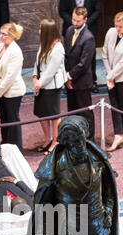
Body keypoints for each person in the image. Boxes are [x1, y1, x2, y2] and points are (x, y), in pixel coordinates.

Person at [102, 12, 123, 152]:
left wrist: (111, 77)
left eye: (120, 27)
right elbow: (104, 53)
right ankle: (118, 133)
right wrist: (109, 75)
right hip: (111, 75)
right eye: (116, 26)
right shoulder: (111, 32)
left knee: (122, 105)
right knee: (113, 105)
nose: (117, 29)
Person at [0, 23, 26, 153]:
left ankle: (16, 149)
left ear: (11, 35)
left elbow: (11, 76)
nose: (0, 36)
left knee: (12, 120)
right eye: (0, 33)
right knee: (3, 118)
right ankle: (5, 144)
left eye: (4, 34)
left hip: (12, 91)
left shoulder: (16, 51)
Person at [33, 19, 67, 156]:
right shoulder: (44, 42)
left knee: (54, 115)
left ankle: (56, 141)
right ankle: (47, 138)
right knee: (42, 114)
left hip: (51, 86)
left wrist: (39, 84)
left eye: (41, 28)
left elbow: (51, 72)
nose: (39, 30)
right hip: (40, 84)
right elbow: (37, 62)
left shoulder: (58, 48)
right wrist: (34, 77)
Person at [64, 7, 95, 141]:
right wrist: (67, 76)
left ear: (85, 20)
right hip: (69, 79)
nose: (75, 23)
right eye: (73, 20)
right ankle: (74, 137)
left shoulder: (89, 38)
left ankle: (89, 139)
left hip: (82, 81)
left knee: (85, 111)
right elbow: (67, 54)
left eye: (78, 21)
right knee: (72, 110)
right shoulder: (69, 30)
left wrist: (69, 76)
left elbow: (84, 64)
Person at [59, 0, 101, 92]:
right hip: (70, 29)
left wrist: (84, 23)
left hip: (90, 27)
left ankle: (92, 81)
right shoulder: (72, 26)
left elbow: (97, 10)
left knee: (89, 58)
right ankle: (68, 81)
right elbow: (62, 11)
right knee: (70, 55)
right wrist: (75, 22)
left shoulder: (88, 35)